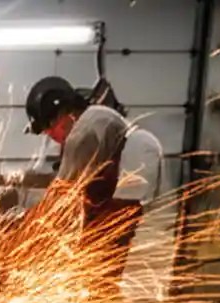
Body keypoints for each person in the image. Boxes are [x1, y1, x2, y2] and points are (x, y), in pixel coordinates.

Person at [25, 76, 164, 281]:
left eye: (49, 130)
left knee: (107, 239)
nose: (50, 136)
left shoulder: (84, 130)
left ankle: (104, 294)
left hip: (135, 165)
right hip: (132, 166)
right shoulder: (91, 120)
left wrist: (27, 233)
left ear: (61, 115)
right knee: (96, 235)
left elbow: (61, 194)